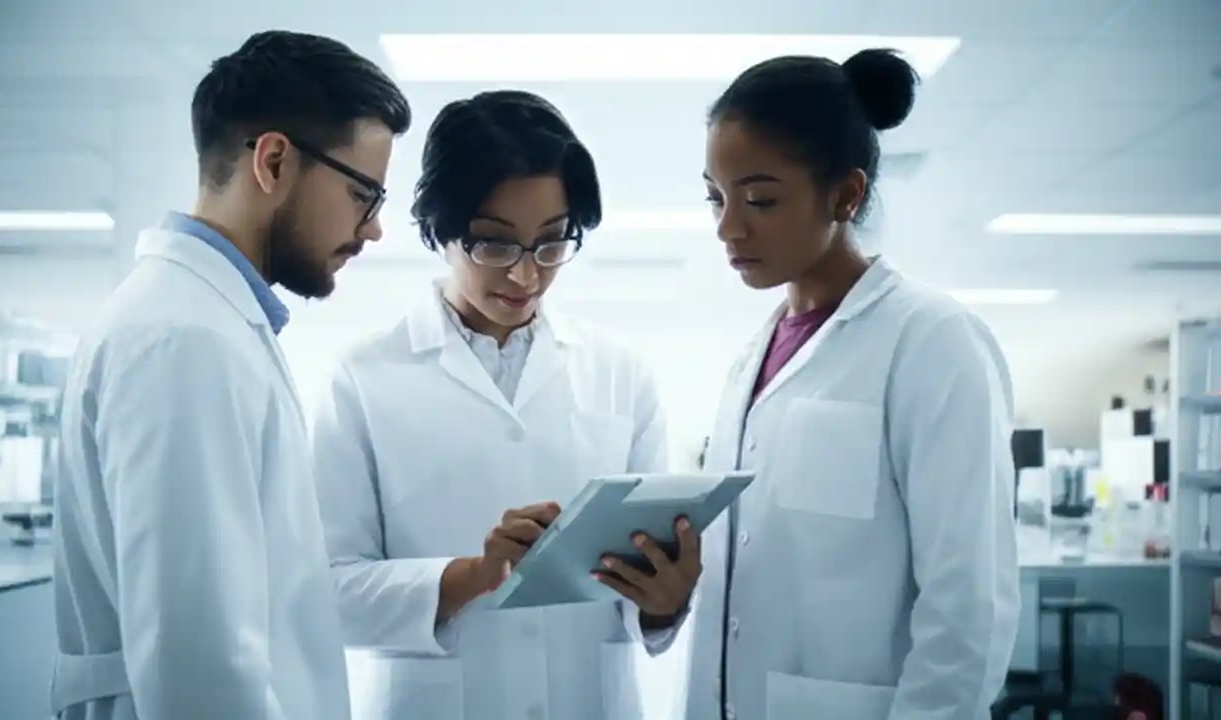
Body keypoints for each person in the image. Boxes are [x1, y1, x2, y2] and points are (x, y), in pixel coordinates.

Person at [50, 30, 410, 720]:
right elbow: (197, 668)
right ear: (273, 161)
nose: (372, 231)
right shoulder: (184, 340)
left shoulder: (203, 322)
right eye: (364, 194)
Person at [310, 89, 699, 720]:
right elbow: (326, 591)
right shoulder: (364, 377)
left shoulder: (619, 373)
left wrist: (665, 599)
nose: (525, 276)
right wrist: (472, 575)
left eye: (551, 243)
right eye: (494, 245)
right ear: (438, 229)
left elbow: (641, 603)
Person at [677, 50, 1020, 719]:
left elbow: (967, 606)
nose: (727, 226)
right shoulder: (751, 360)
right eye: (716, 198)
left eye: (759, 199)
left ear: (846, 194)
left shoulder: (932, 341)